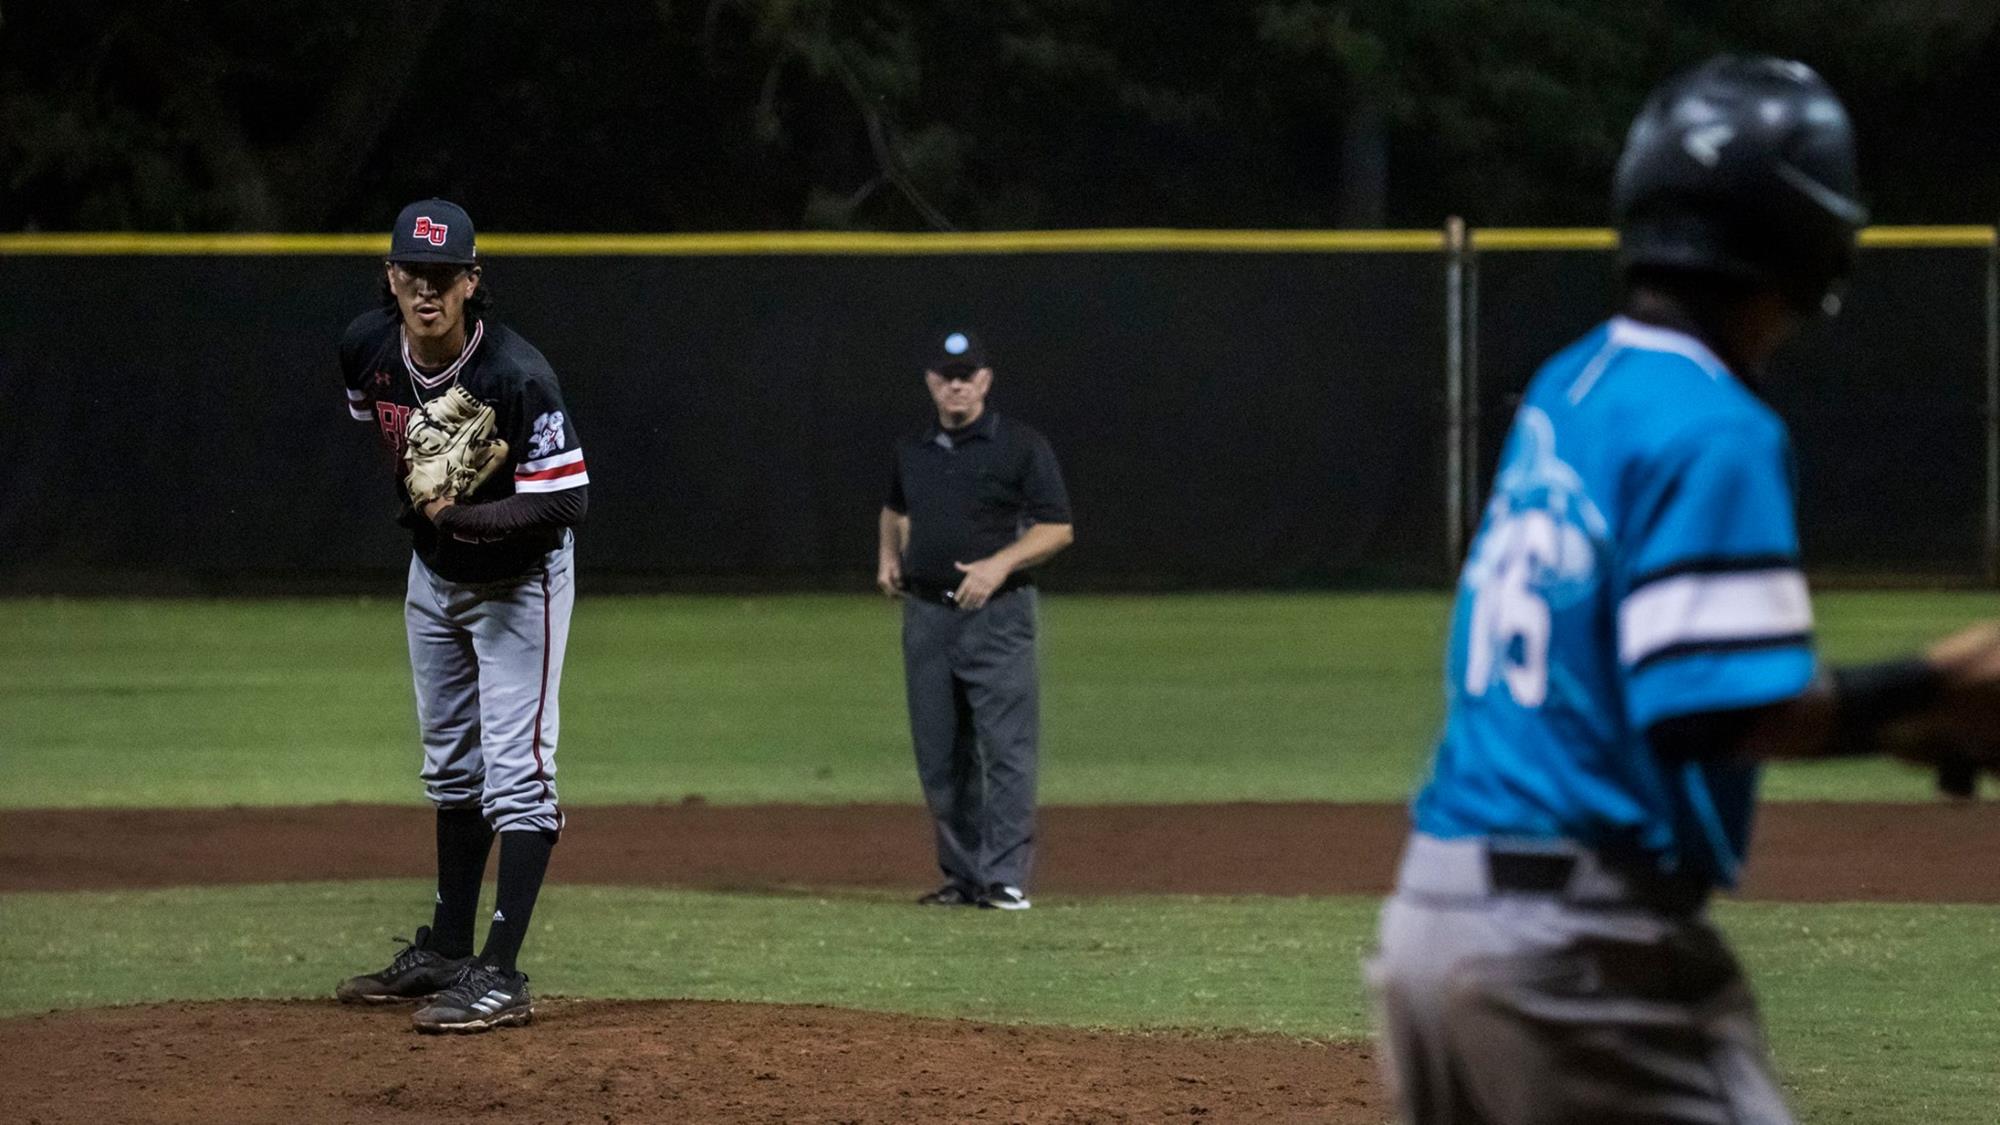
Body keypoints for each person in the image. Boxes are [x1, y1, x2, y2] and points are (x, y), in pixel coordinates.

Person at [1367, 57, 2000, 1123]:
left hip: (1432, 919)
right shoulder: (1711, 425)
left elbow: (1645, 673)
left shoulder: (1579, 380)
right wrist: (1932, 685)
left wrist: (1910, 724)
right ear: (1811, 239)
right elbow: (1709, 706)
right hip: (1576, 955)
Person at [332, 199, 591, 1033]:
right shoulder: (367, 351)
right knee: (450, 769)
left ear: (473, 282)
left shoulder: (518, 377)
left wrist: (459, 516)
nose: (428, 289)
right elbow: (384, 436)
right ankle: (446, 947)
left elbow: (568, 503)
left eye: (445, 276)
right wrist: (441, 527)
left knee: (519, 776)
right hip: (434, 579)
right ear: (392, 277)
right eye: (414, 273)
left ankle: (501, 973)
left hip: (521, 586)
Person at [878, 329, 1075, 911]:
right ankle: (962, 878)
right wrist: (889, 555)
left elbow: (1057, 527)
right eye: (946, 375)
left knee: (1006, 749)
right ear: (931, 383)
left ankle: (1004, 878)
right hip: (927, 618)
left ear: (985, 381)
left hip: (999, 616)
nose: (957, 385)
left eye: (967, 375)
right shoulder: (912, 449)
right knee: (940, 755)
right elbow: (895, 508)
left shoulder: (1020, 445)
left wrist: (998, 565)